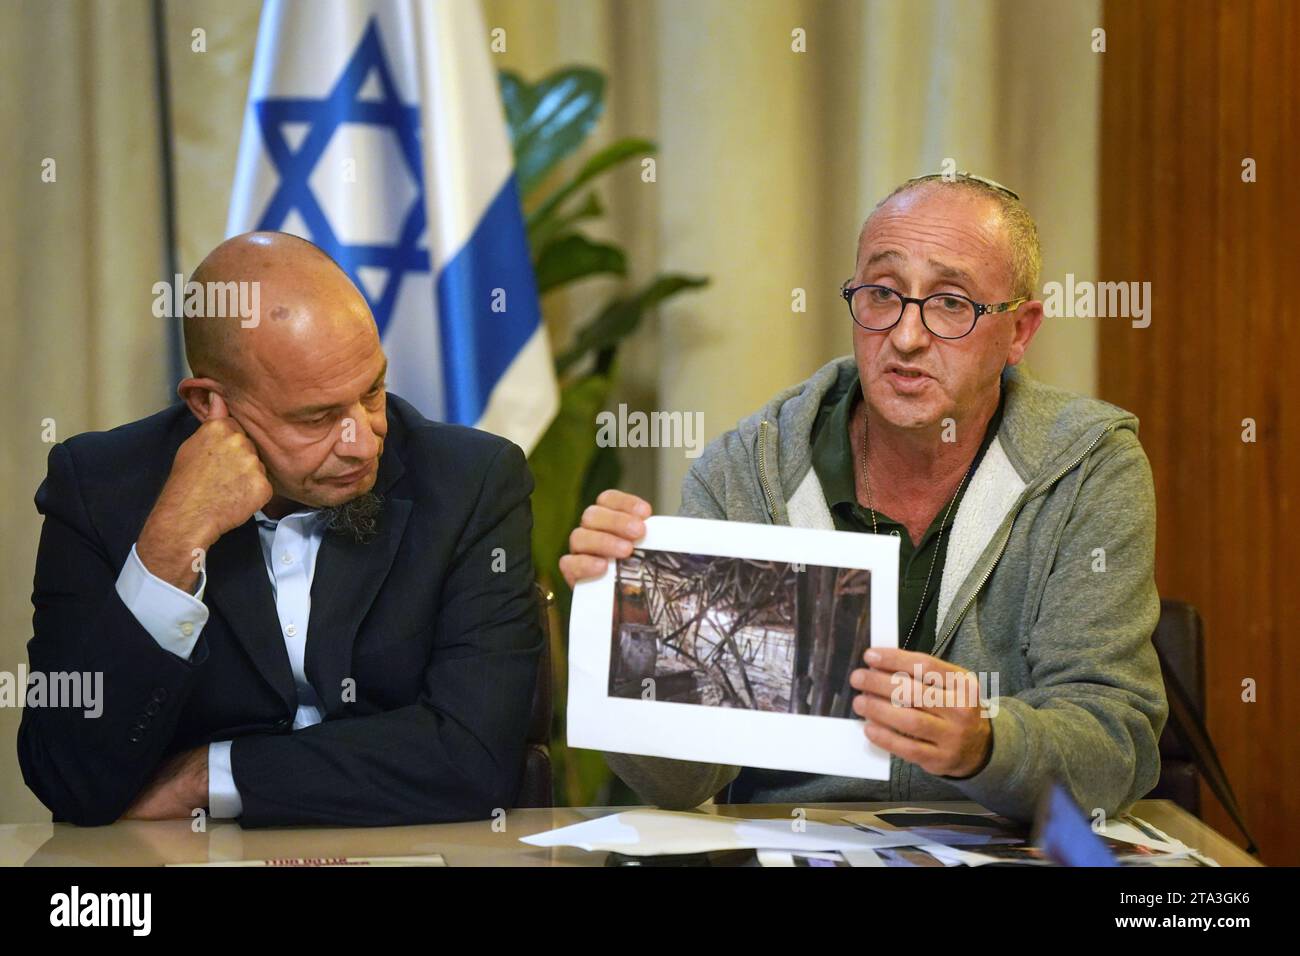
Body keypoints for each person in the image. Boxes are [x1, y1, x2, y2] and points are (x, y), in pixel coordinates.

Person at [561, 173, 1168, 822]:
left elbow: (1114, 742)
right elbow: (682, 782)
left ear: (1020, 331)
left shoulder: (1087, 467)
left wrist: (986, 745)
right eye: (882, 294)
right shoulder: (745, 470)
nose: (906, 337)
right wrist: (622, 633)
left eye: (951, 303)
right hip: (790, 847)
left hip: (999, 843)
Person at [19, 232, 542, 827]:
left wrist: (207, 778)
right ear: (209, 404)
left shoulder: (470, 483)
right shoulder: (98, 488)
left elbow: (474, 760)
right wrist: (167, 548)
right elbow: (65, 775)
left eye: (371, 391)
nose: (363, 441)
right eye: (316, 418)